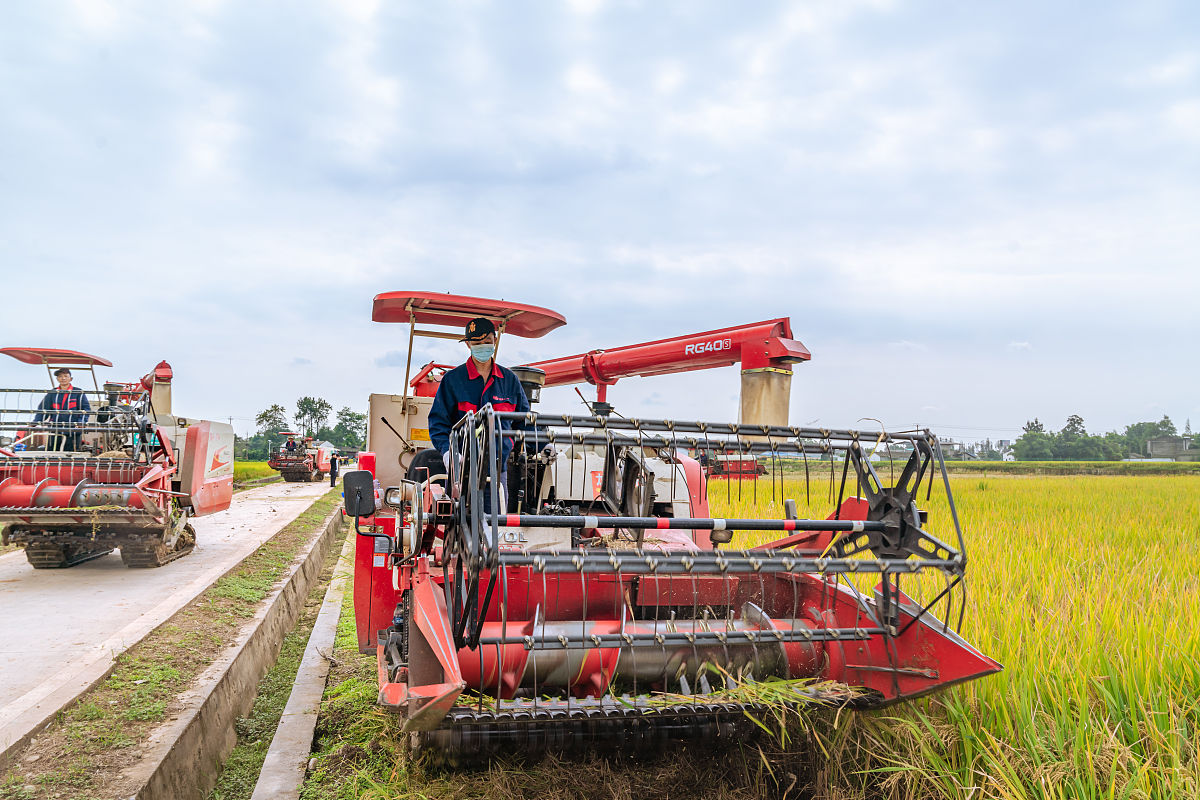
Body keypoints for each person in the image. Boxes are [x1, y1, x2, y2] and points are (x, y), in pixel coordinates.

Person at [428, 317, 530, 511]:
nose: (483, 347)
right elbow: (438, 422)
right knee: (460, 528)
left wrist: (544, 445)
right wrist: (448, 451)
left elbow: (524, 421)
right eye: (477, 343)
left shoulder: (510, 381)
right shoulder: (453, 381)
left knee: (495, 528)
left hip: (497, 470)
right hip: (462, 471)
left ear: (495, 340)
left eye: (487, 342)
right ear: (468, 344)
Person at [33, 368, 92, 452]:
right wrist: (35, 422)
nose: (63, 378)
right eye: (60, 376)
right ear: (57, 379)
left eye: (65, 376)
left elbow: (86, 409)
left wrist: (81, 422)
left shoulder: (78, 392)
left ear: (70, 378)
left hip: (73, 429)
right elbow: (43, 409)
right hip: (55, 428)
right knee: (52, 452)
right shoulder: (52, 393)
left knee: (71, 454)